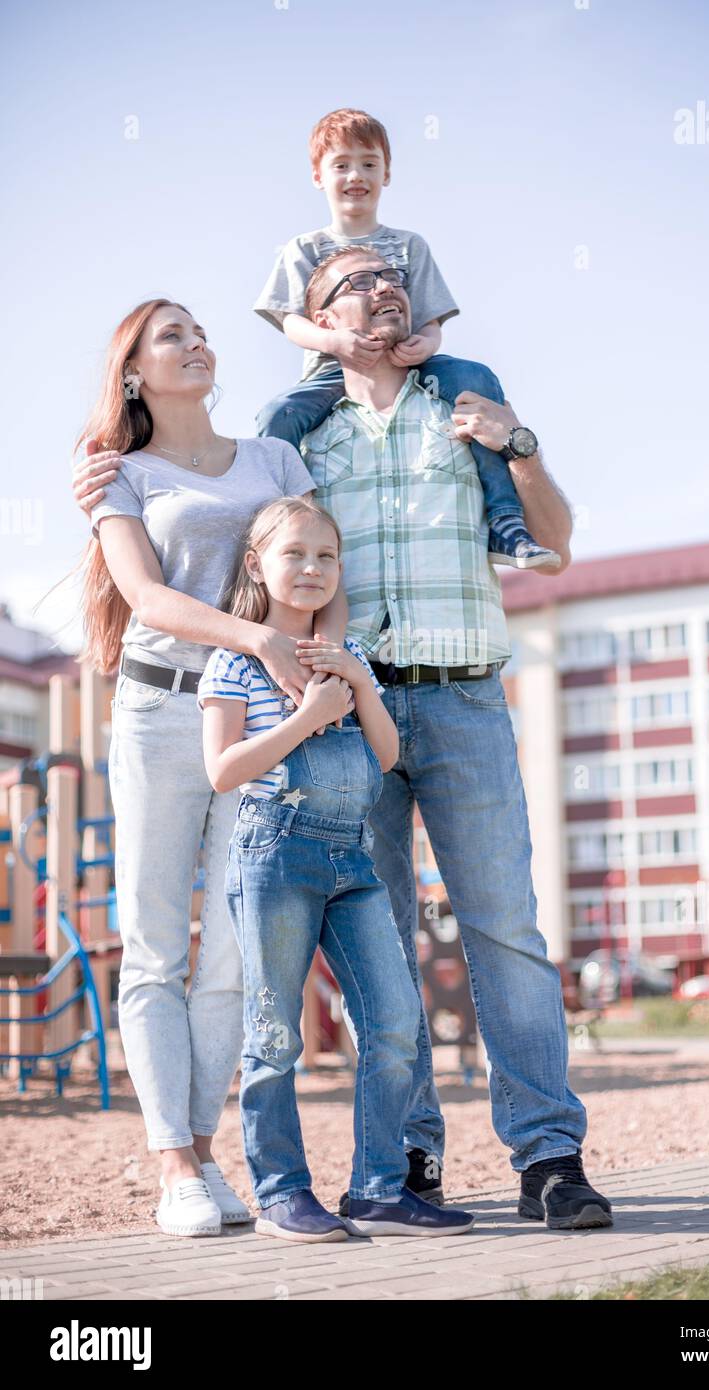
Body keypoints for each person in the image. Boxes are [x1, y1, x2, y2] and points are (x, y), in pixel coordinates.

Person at [297, 244, 614, 1231]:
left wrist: (520, 446)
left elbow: (554, 546)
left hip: (465, 699)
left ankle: (548, 1157)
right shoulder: (302, 439)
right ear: (321, 321)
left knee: (504, 927)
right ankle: (408, 1155)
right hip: (350, 713)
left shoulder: (465, 408)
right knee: (376, 939)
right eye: (357, 281)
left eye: (394, 278)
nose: (385, 287)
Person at [75, 298, 349, 1237]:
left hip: (260, 714)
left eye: (200, 332)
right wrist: (258, 638)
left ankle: (201, 1147)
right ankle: (174, 1166)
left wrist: (320, 664)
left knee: (235, 946)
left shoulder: (274, 461)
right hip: (159, 711)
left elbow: (324, 567)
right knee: (154, 943)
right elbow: (146, 596)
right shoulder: (120, 474)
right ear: (133, 371)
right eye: (172, 336)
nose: (195, 344)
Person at [197, 495, 476, 1241]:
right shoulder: (235, 662)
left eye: (327, 556)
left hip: (352, 859)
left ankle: (379, 1189)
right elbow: (223, 770)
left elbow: (384, 756)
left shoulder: (346, 659)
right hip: (275, 855)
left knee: (395, 1022)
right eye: (294, 554)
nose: (312, 568)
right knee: (274, 1034)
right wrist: (307, 719)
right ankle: (282, 1193)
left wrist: (354, 678)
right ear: (257, 565)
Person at [253, 107, 558, 571]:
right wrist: (334, 343)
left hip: (406, 363)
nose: (356, 175)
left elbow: (431, 318)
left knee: (475, 380)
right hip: (333, 371)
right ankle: (285, 530)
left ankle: (504, 520)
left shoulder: (409, 245)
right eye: (341, 165)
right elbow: (290, 320)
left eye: (369, 163)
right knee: (277, 417)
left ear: (387, 173)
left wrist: (427, 344)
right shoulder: (305, 248)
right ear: (318, 176)